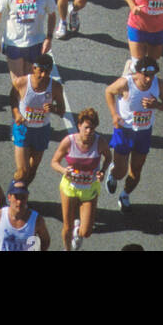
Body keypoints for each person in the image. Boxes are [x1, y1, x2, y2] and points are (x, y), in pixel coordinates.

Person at [104, 57, 163, 211]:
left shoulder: (158, 84)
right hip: (125, 130)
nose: (148, 79)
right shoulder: (126, 83)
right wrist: (114, 115)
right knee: (121, 172)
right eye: (145, 75)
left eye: (152, 75)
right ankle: (114, 174)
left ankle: (125, 194)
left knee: (136, 169)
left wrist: (157, 105)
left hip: (144, 132)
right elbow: (109, 91)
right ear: (138, 72)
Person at [51, 108, 110, 252]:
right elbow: (54, 162)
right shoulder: (69, 142)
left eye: (92, 128)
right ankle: (67, 249)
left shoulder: (100, 142)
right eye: (86, 127)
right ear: (79, 126)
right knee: (67, 226)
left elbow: (108, 157)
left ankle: (78, 232)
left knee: (87, 232)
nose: (89, 131)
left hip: (89, 189)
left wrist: (102, 171)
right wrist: (64, 170)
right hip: (69, 188)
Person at [9, 54, 65, 187]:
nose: (44, 75)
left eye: (48, 72)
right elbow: (12, 99)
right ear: (34, 68)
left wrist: (53, 108)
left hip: (41, 131)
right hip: (23, 129)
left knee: (32, 170)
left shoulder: (56, 87)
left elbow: (62, 111)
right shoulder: (21, 82)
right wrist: (16, 114)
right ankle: (12, 193)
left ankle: (22, 195)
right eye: (41, 71)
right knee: (22, 171)